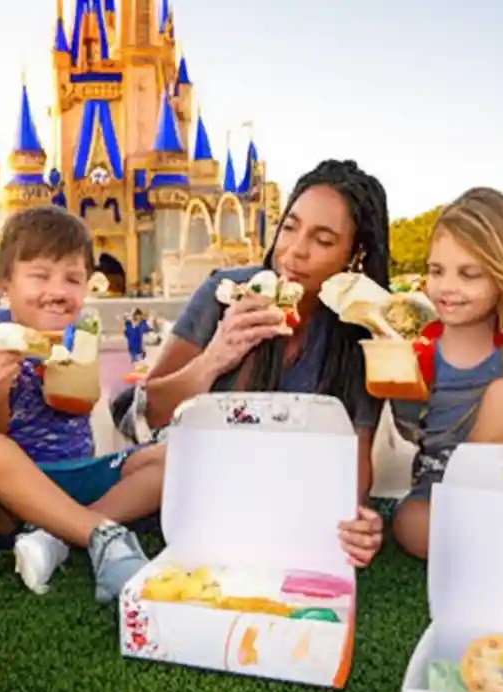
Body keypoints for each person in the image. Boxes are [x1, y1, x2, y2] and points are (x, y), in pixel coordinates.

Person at [127, 159, 392, 567]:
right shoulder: (224, 292)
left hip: (282, 511)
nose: (294, 251)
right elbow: (145, 418)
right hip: (188, 492)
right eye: (290, 227)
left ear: (354, 256)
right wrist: (215, 358)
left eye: (322, 240)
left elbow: (354, 469)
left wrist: (358, 523)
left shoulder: (359, 333)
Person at [0, 205, 157, 599]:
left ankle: (60, 532)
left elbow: (78, 408)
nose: (59, 292)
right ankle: (87, 530)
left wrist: (66, 372)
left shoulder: (77, 332)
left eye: (73, 279)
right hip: (17, 485)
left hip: (78, 471)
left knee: (169, 458)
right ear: (5, 285)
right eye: (40, 276)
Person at [388, 187, 503, 560]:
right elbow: (409, 437)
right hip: (437, 499)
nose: (447, 288)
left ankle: (495, 540)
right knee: (409, 521)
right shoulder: (418, 347)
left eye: (469, 274)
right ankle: (489, 544)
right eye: (436, 271)